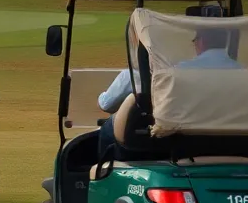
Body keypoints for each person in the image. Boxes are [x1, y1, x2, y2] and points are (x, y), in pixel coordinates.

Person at [96, 26, 238, 162]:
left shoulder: (180, 72)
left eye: (194, 41)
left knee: (108, 129)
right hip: (233, 144)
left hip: (185, 144)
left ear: (202, 41)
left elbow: (107, 104)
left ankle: (102, 172)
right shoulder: (242, 72)